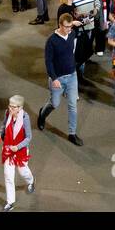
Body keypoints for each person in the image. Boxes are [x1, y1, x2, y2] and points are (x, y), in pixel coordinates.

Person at [38, 10, 83, 145]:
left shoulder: (72, 34)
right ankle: (42, 114)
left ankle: (72, 133)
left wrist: (73, 24)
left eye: (70, 26)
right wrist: (54, 78)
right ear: (59, 25)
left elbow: (72, 48)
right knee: (54, 103)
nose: (69, 29)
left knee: (73, 106)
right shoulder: (51, 41)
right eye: (66, 27)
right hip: (58, 78)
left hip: (72, 76)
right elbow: (48, 61)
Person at [0, 95, 36, 211]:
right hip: (8, 148)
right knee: (8, 176)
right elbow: (4, 125)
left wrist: (17, 147)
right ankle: (10, 202)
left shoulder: (25, 118)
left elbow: (28, 137)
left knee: (23, 171)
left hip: (20, 150)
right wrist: (0, 134)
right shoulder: (7, 113)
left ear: (20, 107)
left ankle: (31, 181)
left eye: (13, 107)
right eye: (10, 106)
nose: (10, 109)